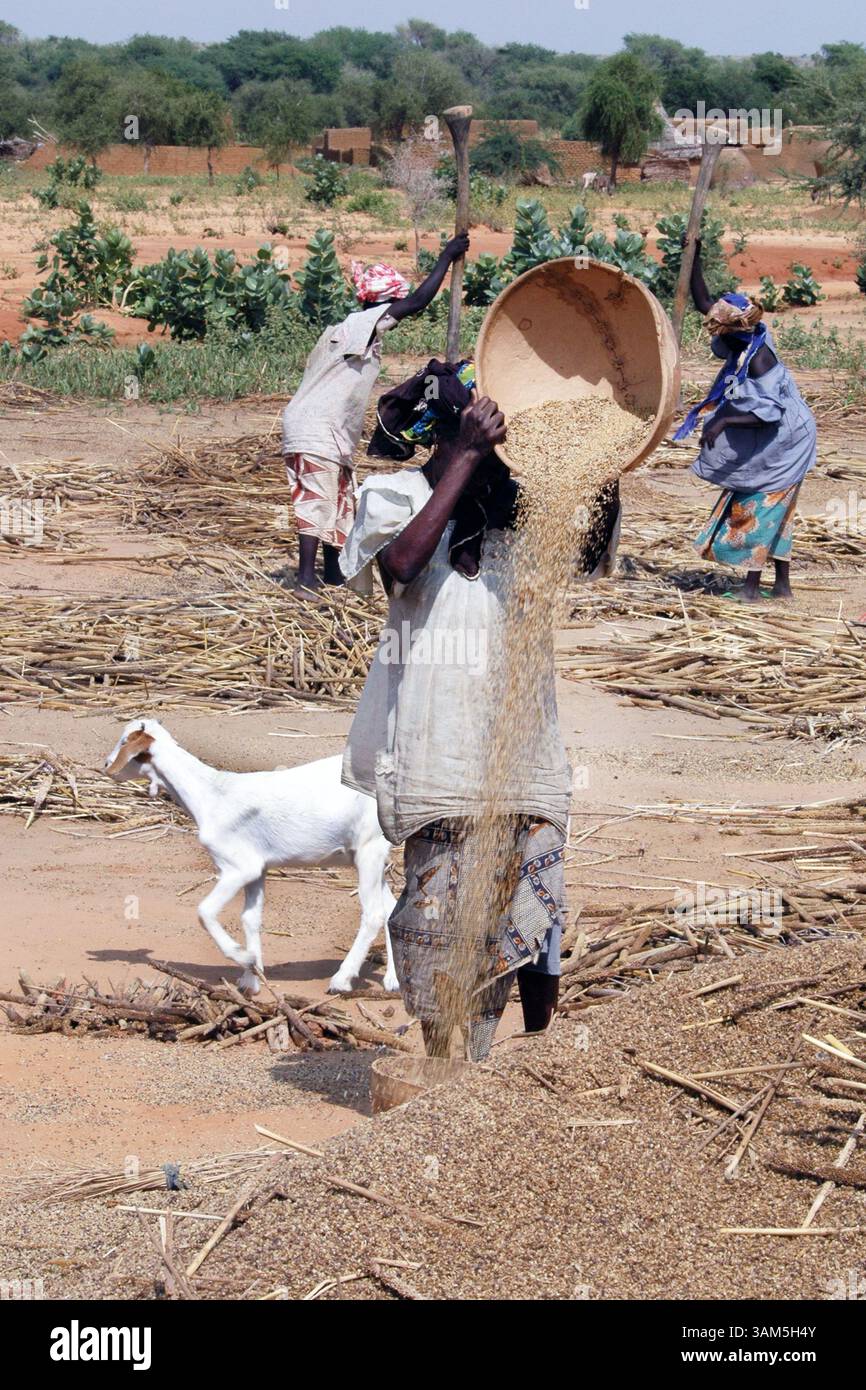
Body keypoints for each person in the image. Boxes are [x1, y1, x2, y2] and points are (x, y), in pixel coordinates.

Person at [338, 374, 620, 1060]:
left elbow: (589, 552)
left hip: (523, 748)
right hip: (437, 746)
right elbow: (403, 567)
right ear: (446, 433)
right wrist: (463, 458)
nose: (496, 446)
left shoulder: (519, 511)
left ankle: (526, 1063)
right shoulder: (397, 496)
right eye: (477, 432)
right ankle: (446, 1066)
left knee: (534, 908)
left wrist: (605, 463)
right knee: (438, 917)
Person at [280, 236, 469, 594]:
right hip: (314, 427)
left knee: (341, 504)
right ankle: (305, 579)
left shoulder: (352, 335)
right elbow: (415, 303)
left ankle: (335, 579)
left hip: (329, 431)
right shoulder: (359, 325)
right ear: (384, 304)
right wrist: (446, 258)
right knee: (318, 499)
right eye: (393, 306)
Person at [680, 243, 817, 602]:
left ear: (730, 329)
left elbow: (764, 415)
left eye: (716, 329)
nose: (712, 332)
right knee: (778, 510)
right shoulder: (742, 337)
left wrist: (722, 422)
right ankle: (783, 587)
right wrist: (692, 253)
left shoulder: (758, 360)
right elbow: (703, 300)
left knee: (758, 506)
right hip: (781, 436)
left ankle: (751, 589)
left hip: (787, 439)